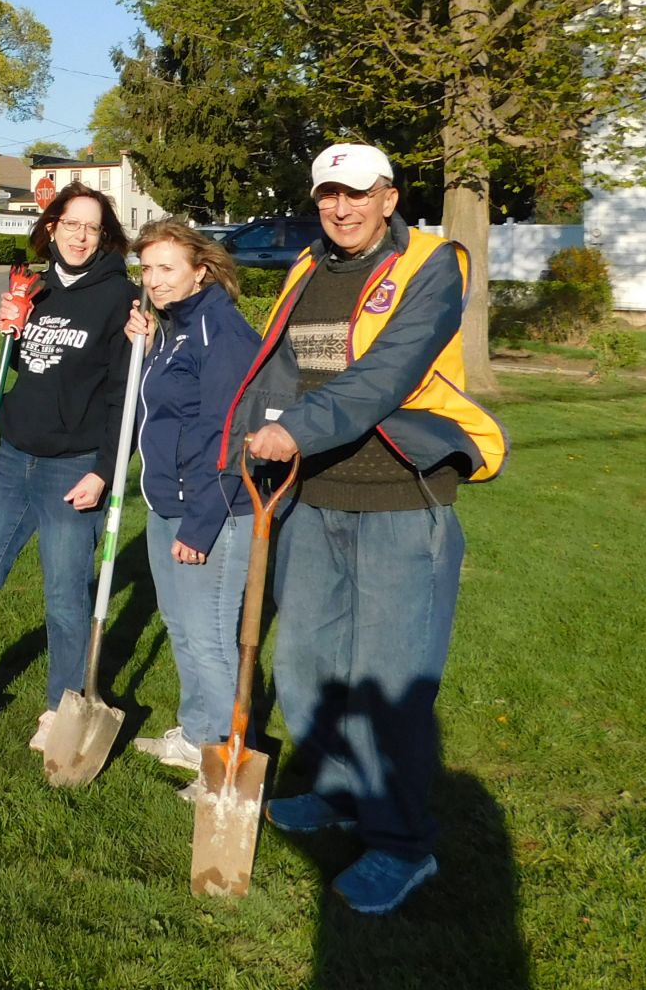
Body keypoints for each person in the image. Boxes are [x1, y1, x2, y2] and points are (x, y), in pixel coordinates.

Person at [228, 142, 507, 916]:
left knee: (387, 681)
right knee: (308, 664)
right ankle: (338, 790)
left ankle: (402, 844)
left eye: (356, 193)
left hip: (402, 500)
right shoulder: (308, 268)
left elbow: (386, 374)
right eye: (328, 194)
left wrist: (296, 429)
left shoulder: (432, 265)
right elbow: (280, 367)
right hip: (313, 494)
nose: (341, 207)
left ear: (389, 197)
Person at [0, 182, 139, 751]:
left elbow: (126, 396)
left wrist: (105, 470)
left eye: (93, 228)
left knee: (64, 597)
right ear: (53, 226)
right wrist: (9, 330)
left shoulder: (122, 298)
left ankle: (62, 707)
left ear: (104, 236)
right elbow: (28, 365)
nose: (81, 236)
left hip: (73, 466)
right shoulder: (33, 286)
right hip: (12, 459)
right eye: (72, 224)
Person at [122, 218, 262, 788]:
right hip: (168, 504)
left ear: (201, 270)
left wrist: (200, 525)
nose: (154, 280)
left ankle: (226, 765)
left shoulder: (220, 331)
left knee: (210, 639)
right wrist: (149, 347)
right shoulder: (176, 327)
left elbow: (226, 436)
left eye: (167, 268)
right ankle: (197, 733)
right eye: (147, 269)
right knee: (181, 627)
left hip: (213, 511)